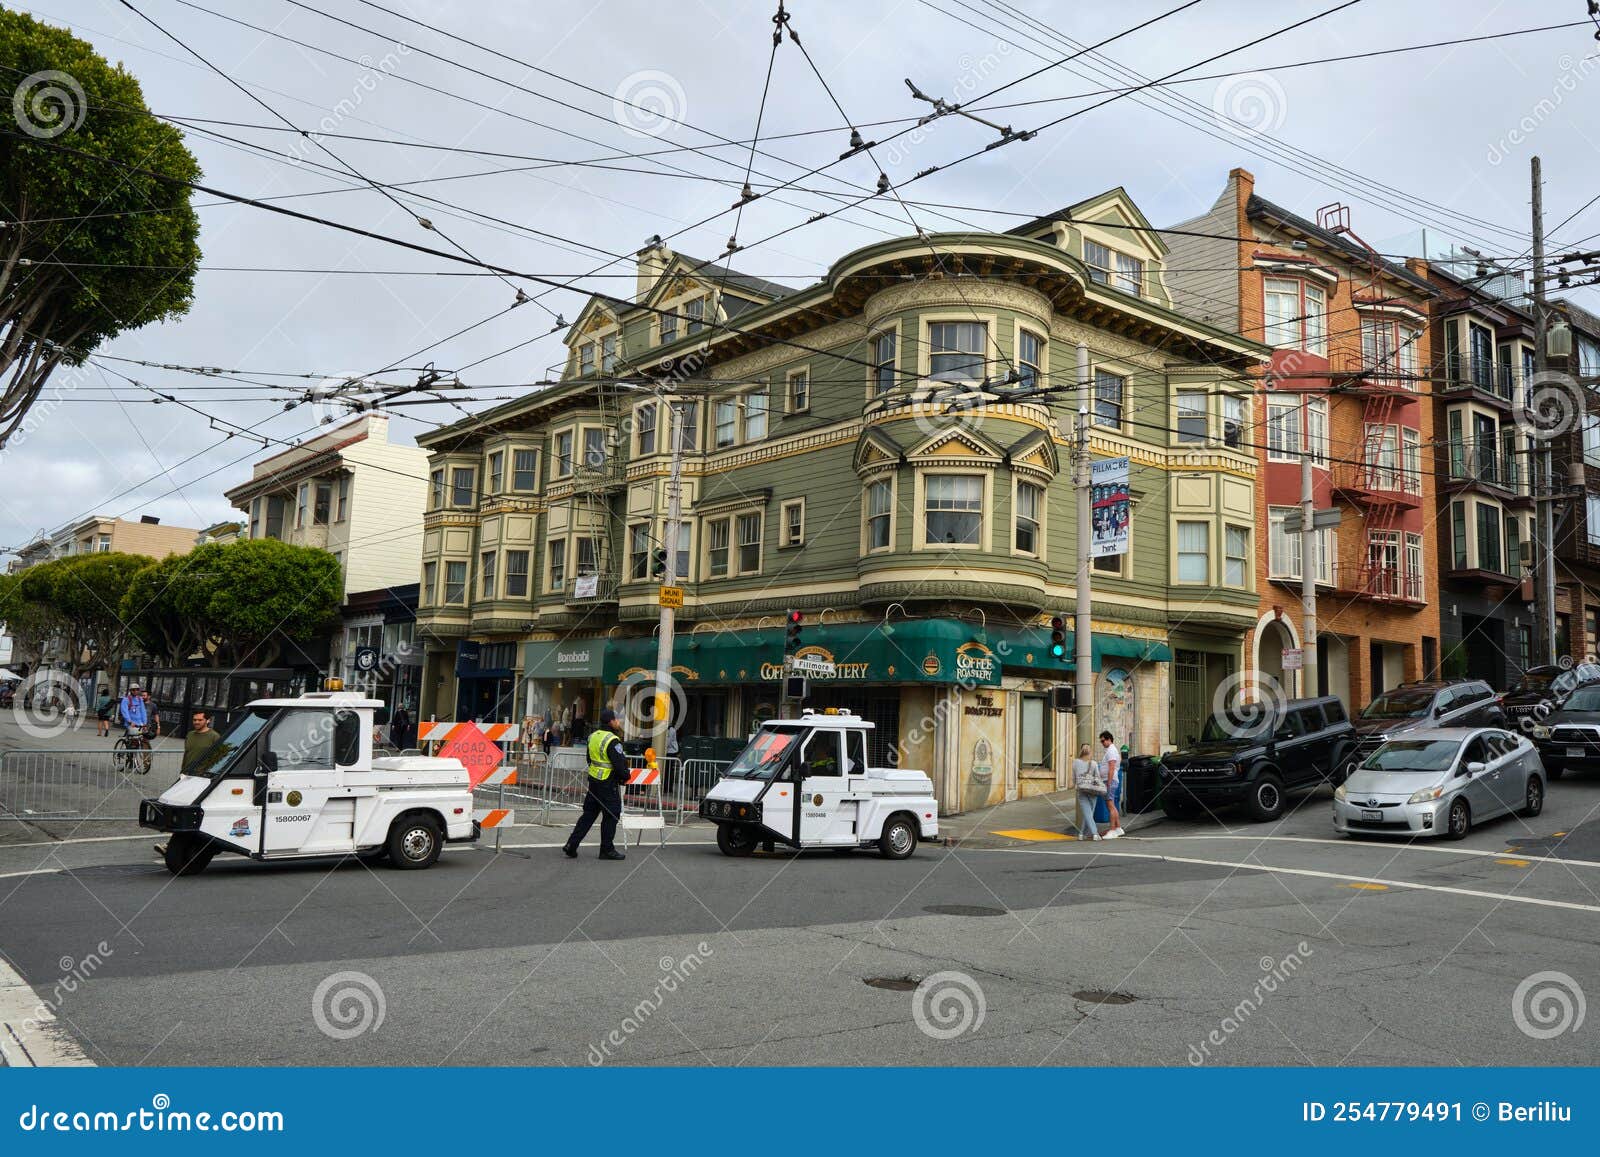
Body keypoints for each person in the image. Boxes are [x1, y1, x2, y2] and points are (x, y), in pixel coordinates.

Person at [562, 707, 628, 861]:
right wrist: (625, 776)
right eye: (616, 719)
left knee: (588, 815)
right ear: (611, 721)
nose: (618, 722)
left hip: (594, 782)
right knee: (611, 815)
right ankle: (607, 849)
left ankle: (571, 844)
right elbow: (619, 764)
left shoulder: (593, 737)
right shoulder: (612, 740)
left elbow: (589, 759)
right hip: (608, 783)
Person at [1072, 744, 1104, 841]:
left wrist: (1077, 784)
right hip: (1092, 791)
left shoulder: (1075, 762)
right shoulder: (1093, 763)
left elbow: (1073, 778)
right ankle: (1095, 833)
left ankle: (1081, 834)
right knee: (1089, 813)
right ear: (1090, 752)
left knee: (1087, 813)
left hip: (1081, 789)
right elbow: (1097, 777)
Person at [1099, 730, 1124, 839]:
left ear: (1109, 739)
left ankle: (1112, 830)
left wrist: (1108, 783)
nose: (1102, 743)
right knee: (1112, 805)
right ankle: (1118, 828)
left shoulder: (1111, 751)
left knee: (1110, 806)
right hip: (1109, 780)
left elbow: (1112, 767)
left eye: (1103, 741)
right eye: (1101, 741)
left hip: (1110, 781)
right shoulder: (1110, 750)